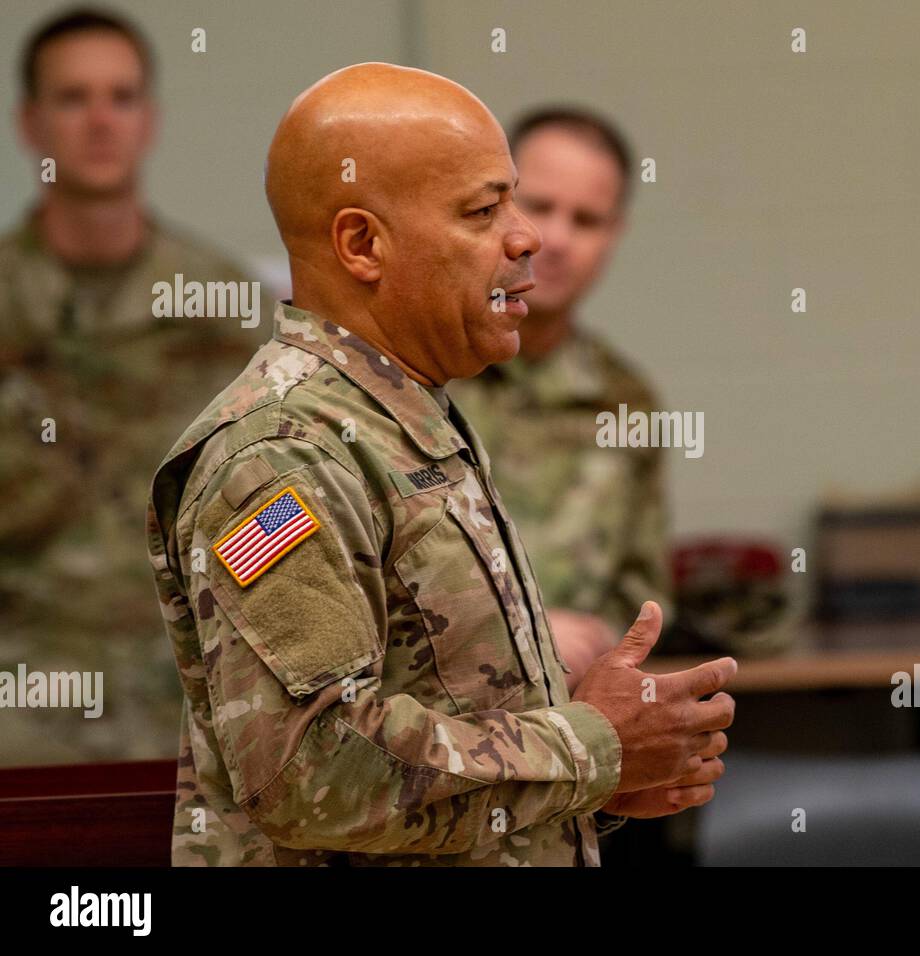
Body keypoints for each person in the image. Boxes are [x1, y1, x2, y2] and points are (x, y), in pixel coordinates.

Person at [146, 62, 736, 866]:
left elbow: (447, 718)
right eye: (485, 209)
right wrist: (590, 746)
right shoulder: (283, 456)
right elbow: (313, 773)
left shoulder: (406, 414)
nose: (526, 237)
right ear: (362, 243)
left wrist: (592, 780)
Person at [0, 8, 268, 765]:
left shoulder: (222, 306)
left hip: (190, 682)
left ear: (148, 120)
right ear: (30, 122)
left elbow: (289, 494)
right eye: (72, 97)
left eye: (121, 97)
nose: (99, 121)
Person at [449, 108, 671, 692]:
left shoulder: (626, 401)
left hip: (574, 730)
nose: (560, 241)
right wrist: (523, 634)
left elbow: (643, 590)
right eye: (541, 207)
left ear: (614, 234)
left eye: (588, 219)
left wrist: (600, 642)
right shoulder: (425, 365)